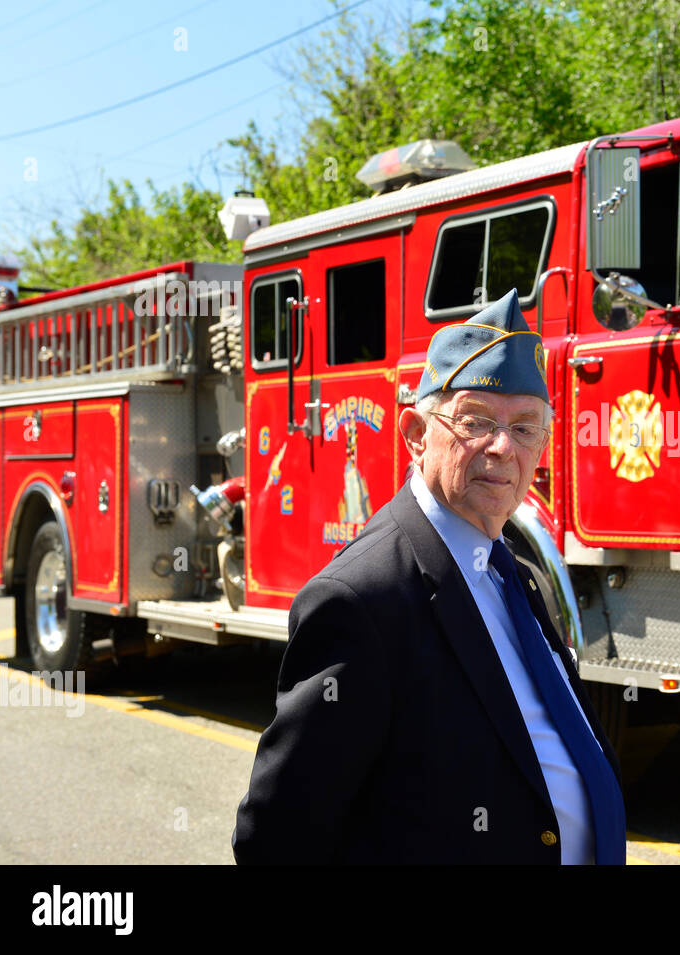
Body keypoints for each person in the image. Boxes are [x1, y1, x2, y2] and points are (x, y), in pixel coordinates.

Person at [231, 287, 626, 864]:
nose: (501, 447)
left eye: (525, 428)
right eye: (476, 421)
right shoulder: (361, 599)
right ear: (416, 434)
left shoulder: (512, 575)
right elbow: (275, 838)